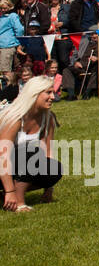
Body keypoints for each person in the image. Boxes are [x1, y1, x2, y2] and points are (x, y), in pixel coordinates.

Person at [0, 75, 62, 212]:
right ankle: (18, 202)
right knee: (30, 153)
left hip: (16, 165)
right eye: (48, 92)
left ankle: (9, 193)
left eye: (53, 92)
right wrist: (10, 191)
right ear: (34, 94)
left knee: (55, 169)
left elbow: (48, 152)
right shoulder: (14, 117)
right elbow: (3, 157)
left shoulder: (48, 118)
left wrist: (49, 186)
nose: (53, 97)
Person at [0, 0, 22, 87]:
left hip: (7, 46)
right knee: (4, 70)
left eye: (5, 8)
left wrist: (17, 42)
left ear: (10, 7)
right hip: (2, 45)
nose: (3, 10)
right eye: (1, 8)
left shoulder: (12, 16)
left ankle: (11, 90)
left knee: (6, 71)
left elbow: (19, 29)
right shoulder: (2, 17)